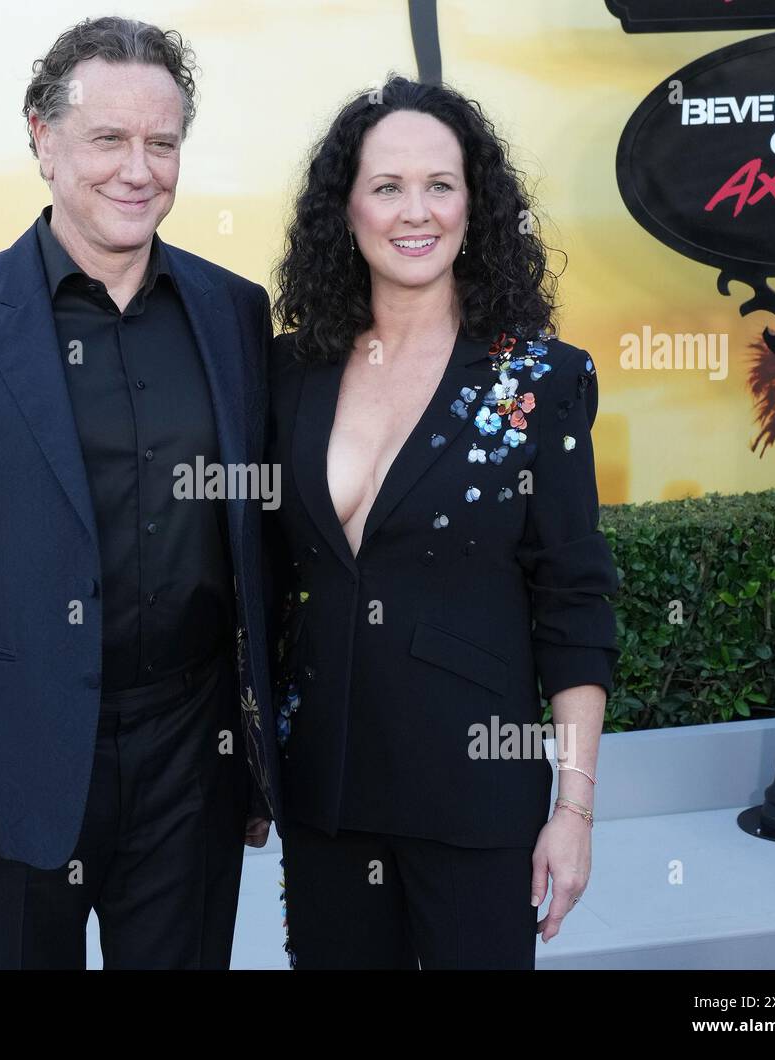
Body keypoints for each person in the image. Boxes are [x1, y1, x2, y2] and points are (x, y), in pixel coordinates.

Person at [0, 15, 279, 969]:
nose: (138, 170)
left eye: (162, 143)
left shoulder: (233, 313)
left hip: (192, 760)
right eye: (108, 139)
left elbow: (262, 544)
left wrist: (257, 761)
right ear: (43, 141)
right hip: (10, 772)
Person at [264, 76, 619, 969]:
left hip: (477, 800)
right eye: (387, 186)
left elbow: (575, 605)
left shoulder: (540, 381)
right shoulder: (287, 374)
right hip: (325, 794)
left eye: (440, 185)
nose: (415, 212)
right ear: (345, 209)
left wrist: (574, 810)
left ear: (475, 205)